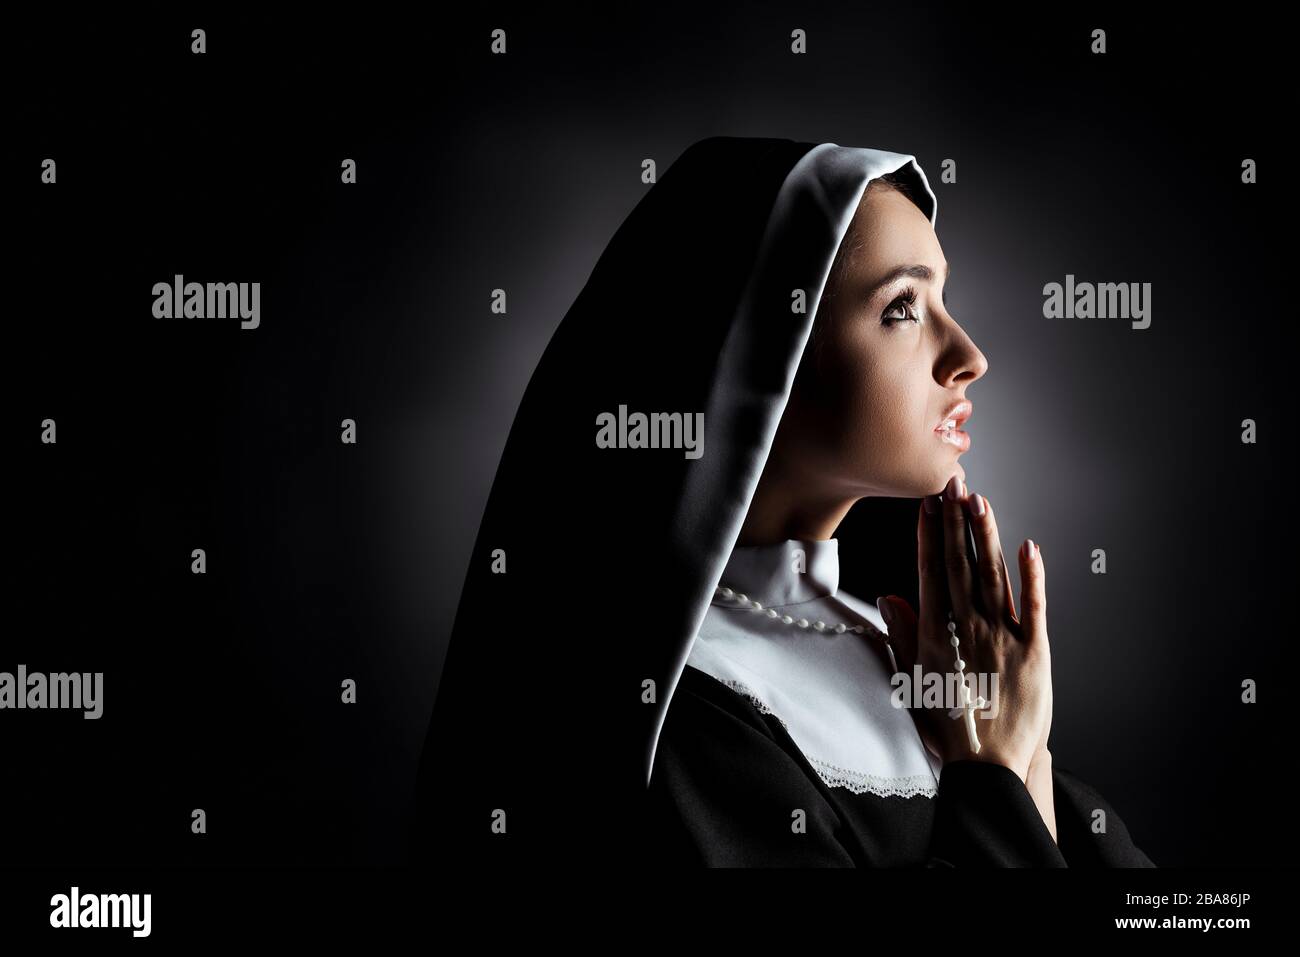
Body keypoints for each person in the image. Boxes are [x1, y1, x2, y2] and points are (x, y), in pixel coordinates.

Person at [412, 136, 1154, 868]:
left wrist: (1024, 756)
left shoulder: (929, 655)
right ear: (765, 354)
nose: (968, 354)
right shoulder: (693, 707)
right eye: (902, 306)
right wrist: (994, 779)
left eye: (943, 296)